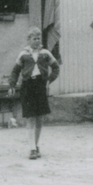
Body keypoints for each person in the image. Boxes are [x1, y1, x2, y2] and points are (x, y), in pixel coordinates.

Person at [7, 26, 60, 159]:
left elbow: (55, 67)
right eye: (34, 39)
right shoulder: (23, 54)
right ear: (28, 40)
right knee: (30, 117)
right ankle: (31, 149)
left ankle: (35, 146)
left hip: (40, 86)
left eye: (38, 38)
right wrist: (12, 85)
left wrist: (49, 81)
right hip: (28, 87)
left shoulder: (45, 53)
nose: (36, 41)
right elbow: (15, 71)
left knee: (39, 118)